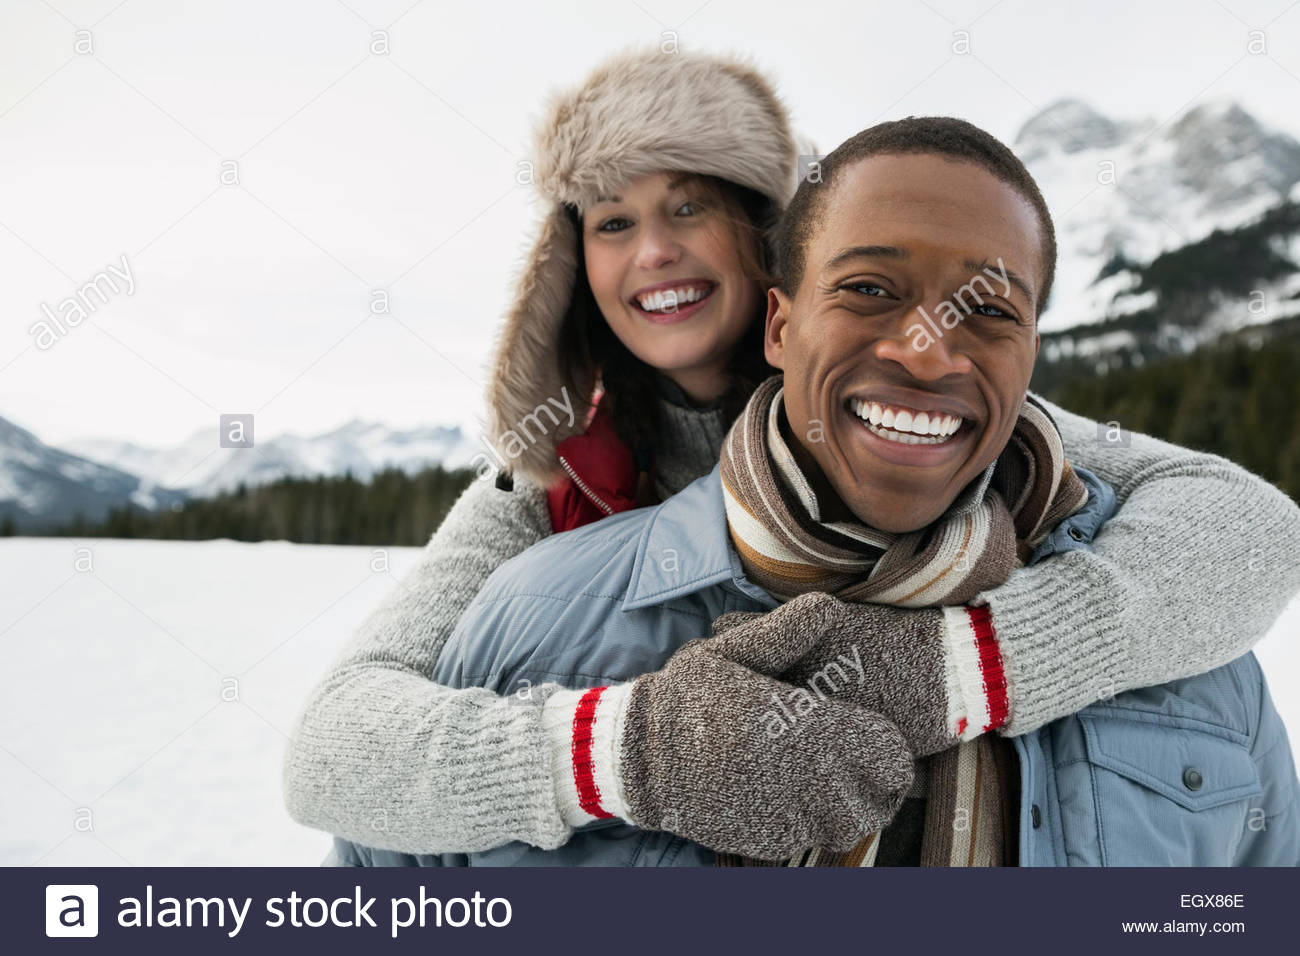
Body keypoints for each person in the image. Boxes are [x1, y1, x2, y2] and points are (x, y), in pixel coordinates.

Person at [282, 51, 1300, 863]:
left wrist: (968, 664)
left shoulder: (930, 403)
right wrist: (627, 751)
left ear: (766, 244)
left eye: (688, 206)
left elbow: (1244, 525)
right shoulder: (543, 486)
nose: (652, 253)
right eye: (611, 223)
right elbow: (336, 750)